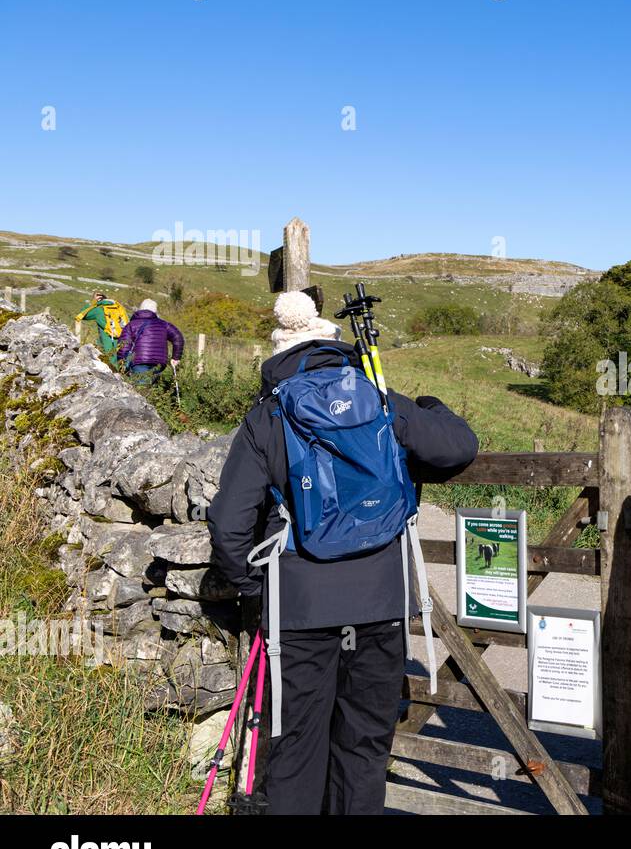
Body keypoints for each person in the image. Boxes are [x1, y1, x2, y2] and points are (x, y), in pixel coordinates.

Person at [207, 291, 478, 815]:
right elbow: (458, 448)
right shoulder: (378, 399)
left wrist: (257, 588)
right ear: (334, 344)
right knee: (364, 746)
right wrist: (431, 408)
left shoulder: (268, 415)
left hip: (302, 608)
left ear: (280, 351)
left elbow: (229, 522)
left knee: (296, 746)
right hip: (381, 604)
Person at [115, 298, 184, 384]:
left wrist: (122, 363)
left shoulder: (131, 325)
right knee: (152, 388)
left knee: (141, 390)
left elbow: (123, 346)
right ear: (155, 311)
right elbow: (178, 337)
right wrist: (176, 357)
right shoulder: (164, 324)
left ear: (140, 309)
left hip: (139, 361)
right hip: (159, 363)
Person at [75, 290, 130, 356]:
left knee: (111, 361)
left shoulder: (98, 310)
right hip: (123, 340)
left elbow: (83, 315)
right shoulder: (118, 307)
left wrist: (92, 303)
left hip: (108, 342)